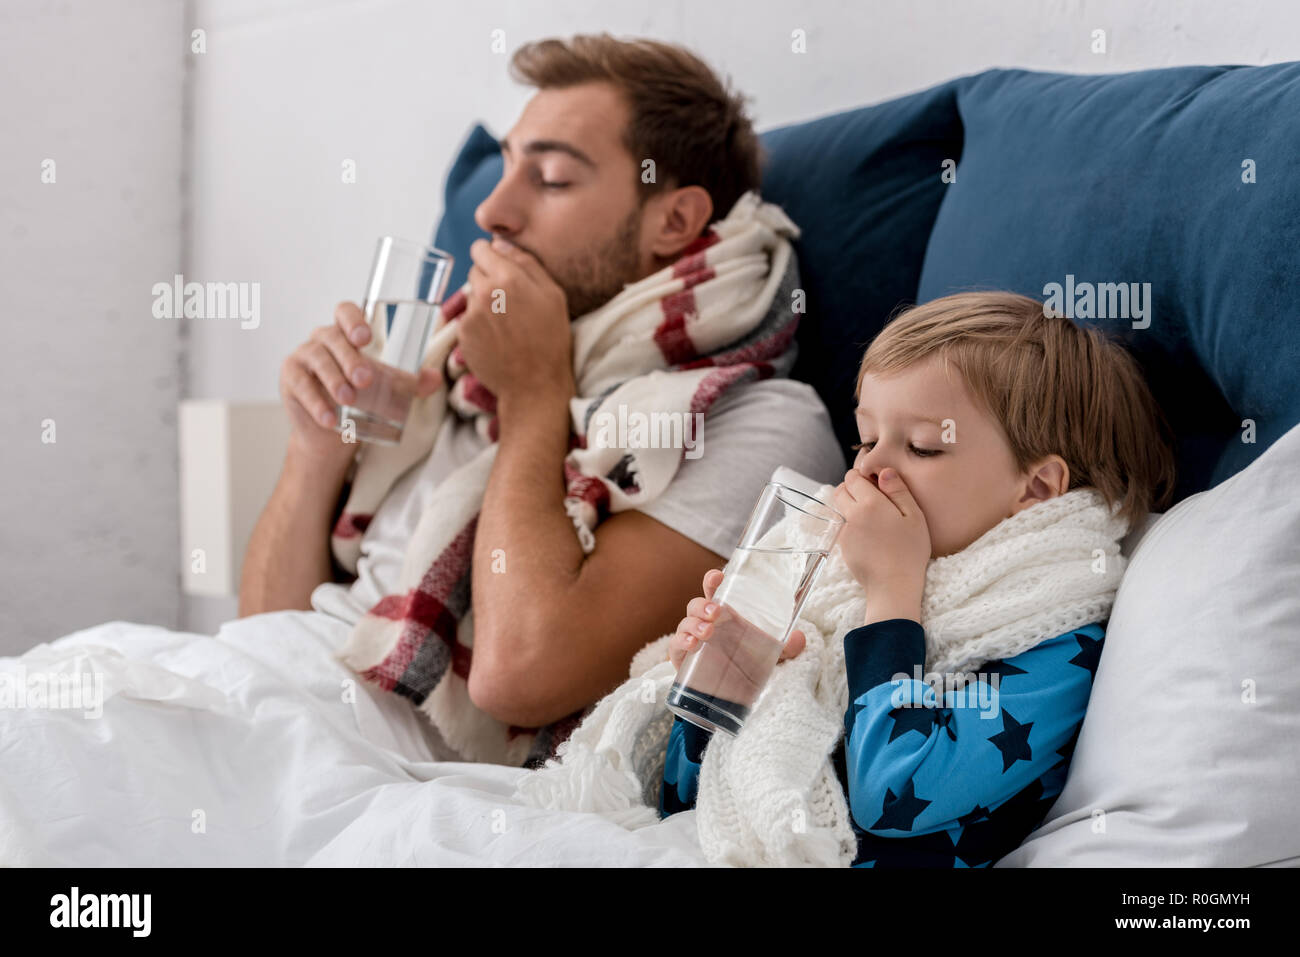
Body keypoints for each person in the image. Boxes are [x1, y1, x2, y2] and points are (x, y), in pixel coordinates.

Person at [238, 34, 844, 761]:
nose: (492, 211)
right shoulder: (449, 371)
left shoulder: (760, 421)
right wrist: (315, 448)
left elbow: (521, 674)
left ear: (675, 221)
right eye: (504, 168)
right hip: (266, 697)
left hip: (370, 754)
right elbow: (262, 630)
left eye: (551, 177)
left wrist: (535, 395)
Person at [659, 291, 1177, 866]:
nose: (868, 468)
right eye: (865, 438)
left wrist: (892, 596)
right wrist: (717, 693)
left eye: (922, 448)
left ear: (1034, 489)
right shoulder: (835, 591)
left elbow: (892, 795)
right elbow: (681, 805)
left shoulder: (1057, 645)